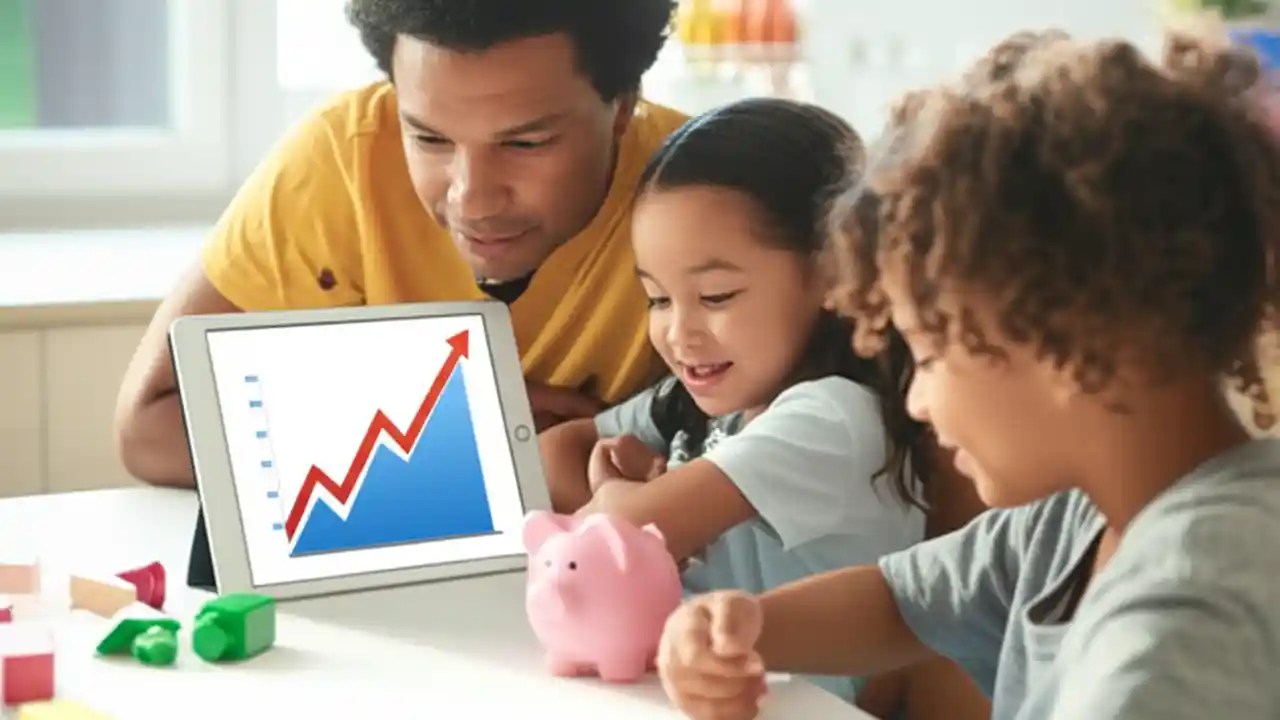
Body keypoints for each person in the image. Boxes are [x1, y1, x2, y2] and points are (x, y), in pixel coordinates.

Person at [655, 23, 1280, 720]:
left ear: (1062, 335)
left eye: (927, 355)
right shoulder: (1078, 517)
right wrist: (740, 629)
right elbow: (897, 603)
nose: (917, 402)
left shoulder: (1193, 609)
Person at [112, 0, 687, 490]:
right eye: (429, 138)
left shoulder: (701, 186)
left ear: (622, 109)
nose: (470, 199)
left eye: (526, 144)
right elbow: (150, 427)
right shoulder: (343, 160)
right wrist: (459, 434)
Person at [538, 97, 986, 714]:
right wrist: (633, 502)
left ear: (834, 274)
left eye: (716, 296)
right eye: (658, 299)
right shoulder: (708, 397)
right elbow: (556, 452)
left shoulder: (832, 418)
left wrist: (620, 497)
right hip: (690, 688)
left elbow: (618, 535)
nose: (678, 333)